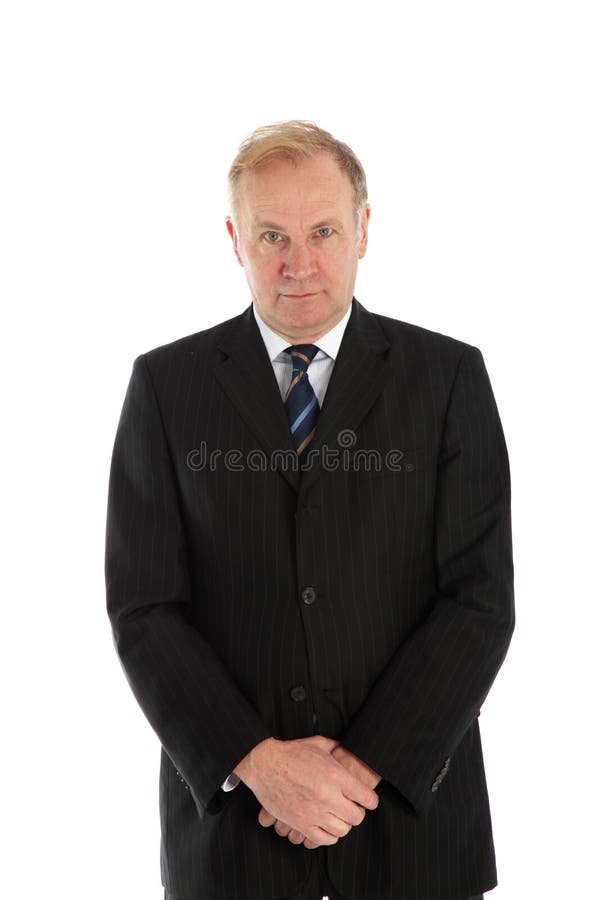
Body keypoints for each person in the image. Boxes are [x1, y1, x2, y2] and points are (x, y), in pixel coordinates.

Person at [105, 120, 514, 900]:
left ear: (364, 229)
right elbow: (144, 610)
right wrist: (259, 764)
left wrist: (354, 775)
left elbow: (480, 601)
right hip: (234, 839)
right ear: (234, 238)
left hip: (413, 833)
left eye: (324, 230)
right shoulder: (166, 388)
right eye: (271, 236)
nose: (299, 264)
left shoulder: (449, 379)